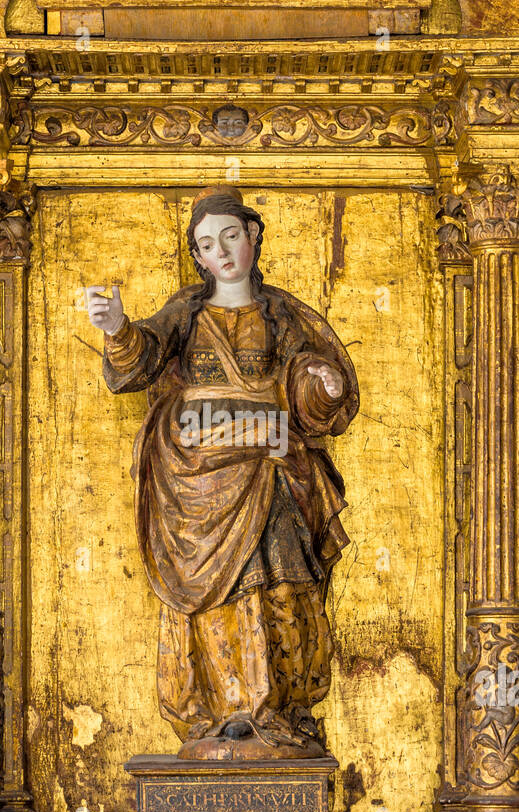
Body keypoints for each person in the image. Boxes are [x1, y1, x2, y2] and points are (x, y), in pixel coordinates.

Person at [87, 184, 359, 759]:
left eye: (231, 236)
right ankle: (222, 711)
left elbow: (313, 373)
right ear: (199, 257)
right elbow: (142, 358)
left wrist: (320, 384)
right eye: (208, 244)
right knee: (213, 595)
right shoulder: (185, 312)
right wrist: (118, 329)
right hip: (197, 473)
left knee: (281, 579)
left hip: (271, 462)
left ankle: (279, 710)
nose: (223, 252)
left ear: (253, 236)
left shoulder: (284, 313)